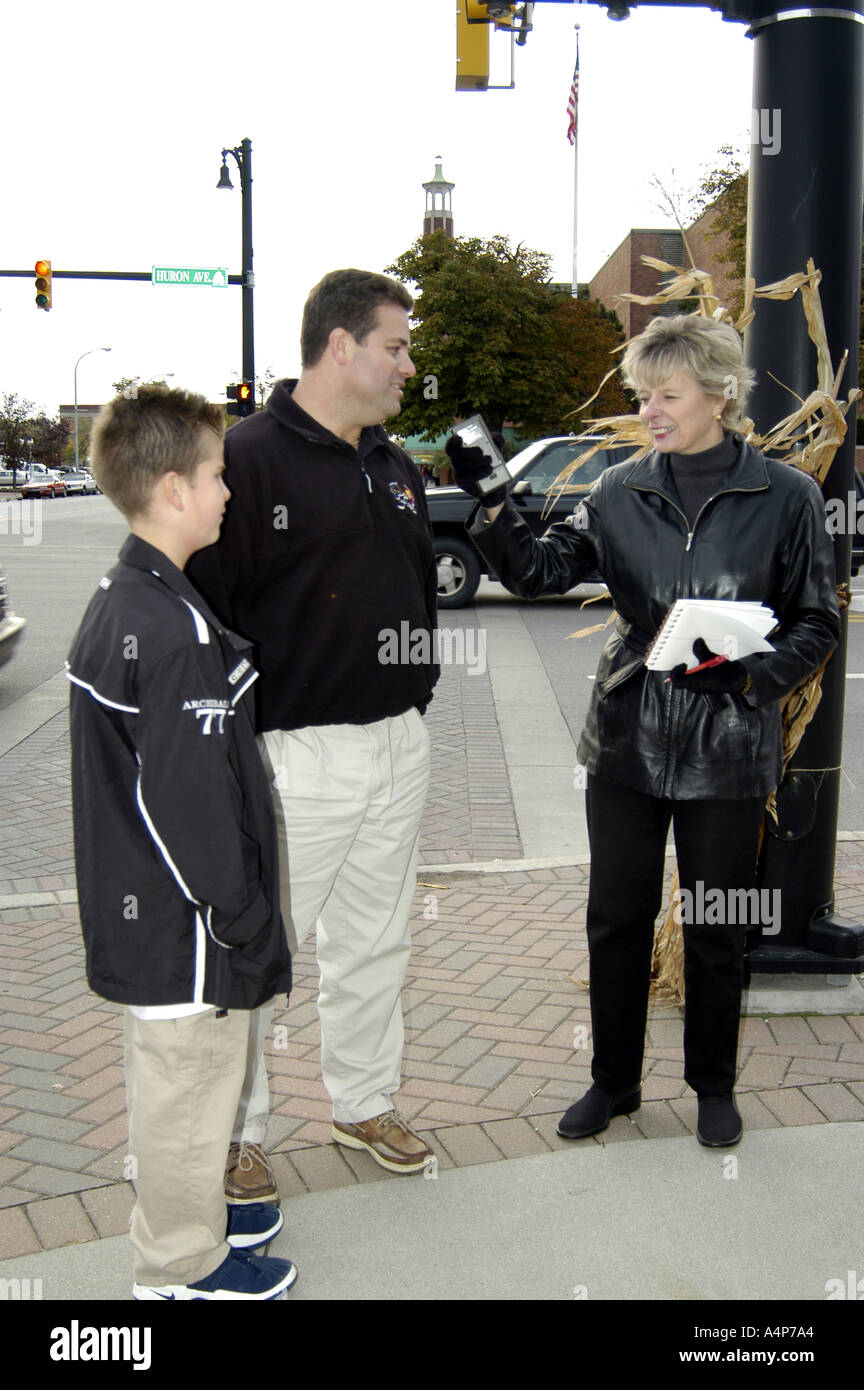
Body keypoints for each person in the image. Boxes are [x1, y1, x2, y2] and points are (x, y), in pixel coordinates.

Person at [446, 314, 840, 1148]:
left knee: (716, 921)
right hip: (629, 735)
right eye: (643, 396)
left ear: (720, 394)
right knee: (615, 919)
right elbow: (540, 571)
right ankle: (613, 1084)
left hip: (730, 741)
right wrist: (491, 502)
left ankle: (713, 1087)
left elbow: (818, 620)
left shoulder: (789, 498)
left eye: (667, 395)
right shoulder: (621, 489)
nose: (651, 410)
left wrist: (752, 674)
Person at [188, 269, 439, 1176]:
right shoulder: (248, 460)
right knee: (263, 945)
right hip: (294, 757)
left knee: (378, 938)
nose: (408, 365)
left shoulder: (394, 461)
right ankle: (235, 1133)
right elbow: (205, 615)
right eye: (397, 345)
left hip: (397, 745)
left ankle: (363, 1104)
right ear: (342, 346)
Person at [66, 385, 296, 1300]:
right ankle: (178, 1266)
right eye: (215, 475)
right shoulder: (166, 629)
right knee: (188, 1090)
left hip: (159, 915)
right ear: (171, 491)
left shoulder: (136, 596)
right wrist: (238, 915)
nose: (229, 492)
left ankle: (192, 1217)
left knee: (188, 1085)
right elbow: (186, 804)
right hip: (183, 926)